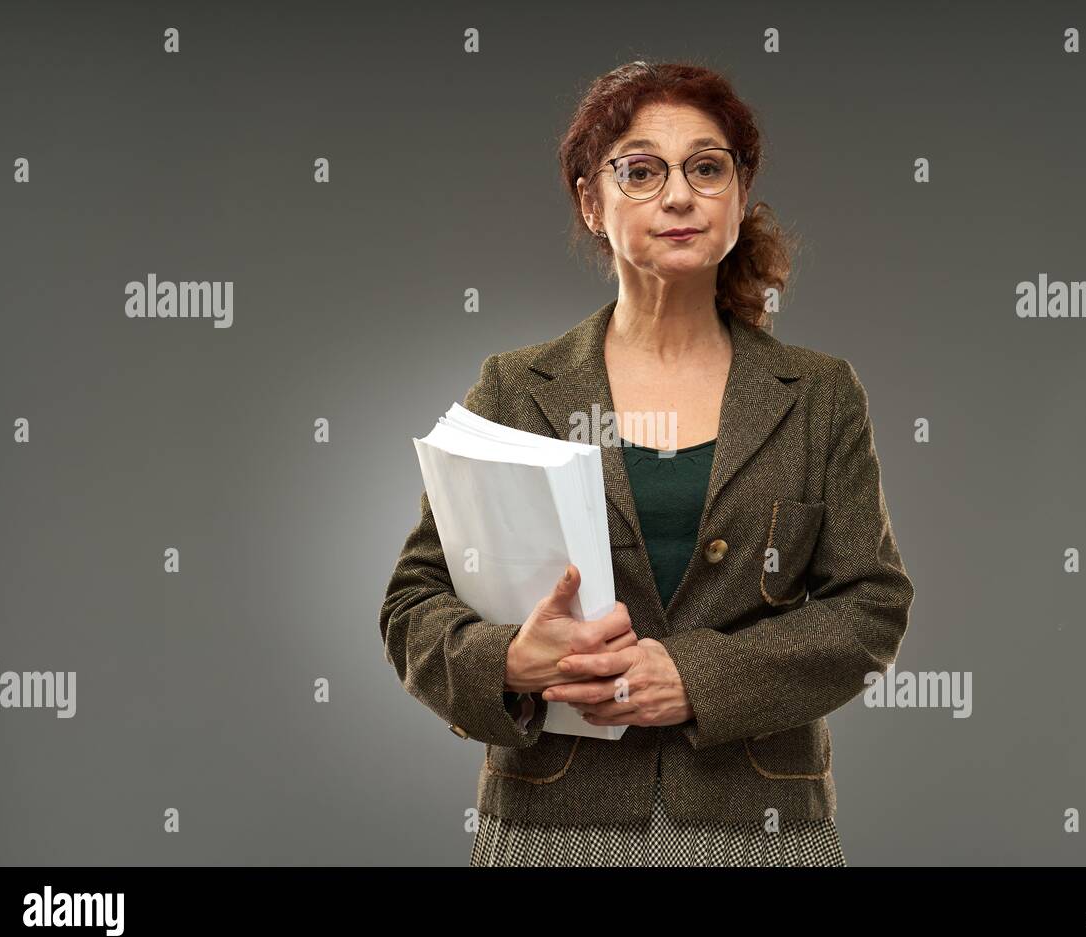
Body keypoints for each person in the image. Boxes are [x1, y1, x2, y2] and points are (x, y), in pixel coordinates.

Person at [378, 60, 915, 866]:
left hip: (760, 824)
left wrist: (698, 677)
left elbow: (869, 607)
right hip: (552, 826)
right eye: (641, 170)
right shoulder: (517, 386)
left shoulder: (818, 393)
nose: (678, 195)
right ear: (592, 202)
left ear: (738, 195)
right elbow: (413, 603)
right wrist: (509, 661)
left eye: (707, 167)